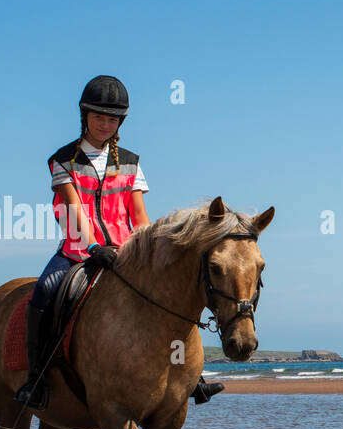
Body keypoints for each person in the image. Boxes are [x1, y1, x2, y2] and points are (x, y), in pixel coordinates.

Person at [15, 75, 224, 409]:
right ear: (84, 116)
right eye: (98, 117)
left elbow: (139, 215)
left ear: (120, 122)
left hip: (127, 251)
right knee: (45, 290)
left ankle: (191, 378)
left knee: (171, 291)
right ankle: (36, 379)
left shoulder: (131, 162)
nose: (105, 124)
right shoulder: (63, 160)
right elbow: (72, 209)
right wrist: (93, 247)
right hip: (79, 251)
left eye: (112, 119)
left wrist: (156, 248)